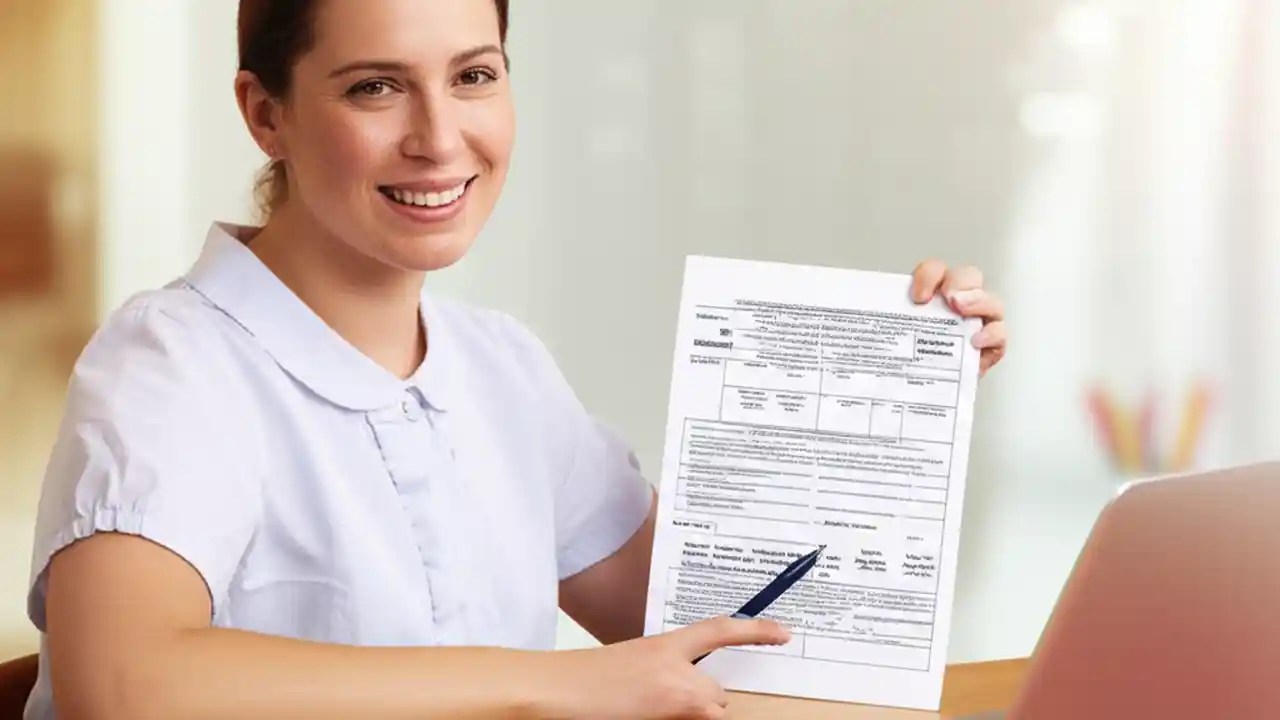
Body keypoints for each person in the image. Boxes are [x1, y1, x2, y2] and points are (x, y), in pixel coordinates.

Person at [23, 1, 1009, 719]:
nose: (439, 138)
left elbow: (733, 642)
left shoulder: (501, 369)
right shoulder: (172, 364)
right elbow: (127, 685)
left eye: (473, 76)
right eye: (375, 87)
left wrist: (896, 400)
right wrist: (561, 686)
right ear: (265, 113)